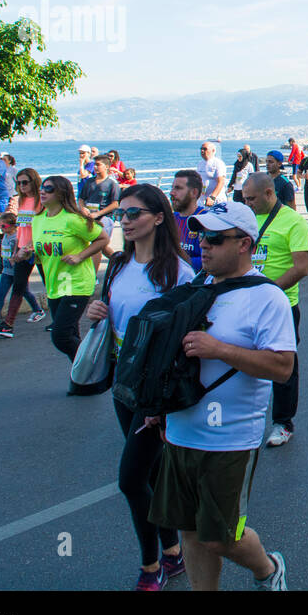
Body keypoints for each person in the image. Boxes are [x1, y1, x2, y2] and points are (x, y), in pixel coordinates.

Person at [146, 200, 295, 591]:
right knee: (190, 531)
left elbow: (282, 368)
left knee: (220, 535)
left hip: (229, 439)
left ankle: (267, 569)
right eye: (199, 236)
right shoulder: (195, 288)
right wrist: (157, 406)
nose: (203, 245)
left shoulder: (267, 298)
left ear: (244, 243)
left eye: (214, 238)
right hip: (179, 432)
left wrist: (220, 350)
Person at [85, 183, 196, 590]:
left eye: (134, 214)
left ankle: (151, 568)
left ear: (159, 217)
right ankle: (173, 553)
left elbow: (182, 341)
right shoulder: (116, 265)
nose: (125, 222)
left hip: (156, 390)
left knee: (130, 480)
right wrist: (96, 312)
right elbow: (112, 318)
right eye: (122, 215)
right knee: (149, 472)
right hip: (123, 382)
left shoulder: (177, 274)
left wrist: (161, 405)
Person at [241, 174, 308, 449]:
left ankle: (283, 423)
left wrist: (268, 292)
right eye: (244, 198)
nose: (247, 203)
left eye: (252, 198)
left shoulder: (293, 221)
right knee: (243, 360)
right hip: (245, 304)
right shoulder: (246, 218)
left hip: (281, 306)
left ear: (269, 193)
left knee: (283, 366)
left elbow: (301, 268)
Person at [32, 175, 108, 387]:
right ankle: (82, 379)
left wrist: (80, 256)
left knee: (61, 336)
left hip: (76, 284)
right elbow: (43, 251)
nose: (43, 191)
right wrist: (27, 253)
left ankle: (91, 370)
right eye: (42, 188)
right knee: (71, 333)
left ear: (62, 193)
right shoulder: (38, 220)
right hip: (55, 285)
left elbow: (103, 238)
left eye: (49, 188)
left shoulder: (73, 219)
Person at [0, 167, 49, 338]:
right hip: (23, 250)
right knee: (18, 286)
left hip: (37, 250)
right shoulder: (21, 201)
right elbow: (21, 229)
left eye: (25, 182)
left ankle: (59, 320)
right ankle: (8, 324)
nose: (22, 186)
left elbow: (40, 228)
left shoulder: (41, 201)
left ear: (33, 181)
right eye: (19, 183)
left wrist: (28, 247)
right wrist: (17, 250)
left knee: (50, 285)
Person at [0, 212, 44, 331]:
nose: (1, 229)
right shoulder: (4, 237)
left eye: (3, 226)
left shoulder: (16, 238)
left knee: (25, 292)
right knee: (1, 294)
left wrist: (14, 258)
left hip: (16, 271)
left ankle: (38, 310)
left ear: (12, 225)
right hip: (6, 271)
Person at [169, 169, 207, 272]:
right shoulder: (171, 219)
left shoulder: (206, 220)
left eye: (178, 188)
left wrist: (174, 262)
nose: (171, 193)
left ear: (194, 192)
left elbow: (212, 259)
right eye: (172, 188)